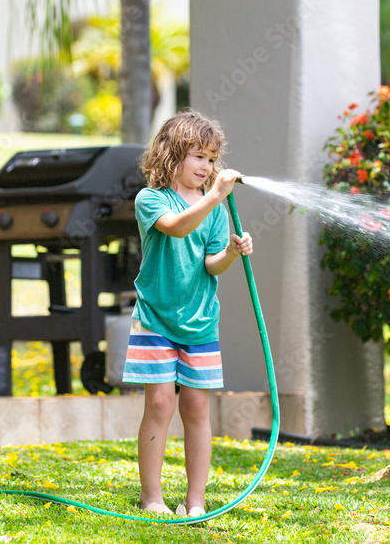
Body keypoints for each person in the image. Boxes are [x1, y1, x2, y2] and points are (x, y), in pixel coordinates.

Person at [121, 109, 253, 518]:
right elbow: (176, 227)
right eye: (198, 156)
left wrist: (230, 252)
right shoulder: (152, 199)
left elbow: (210, 264)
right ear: (172, 155)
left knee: (196, 409)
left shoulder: (215, 208)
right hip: (156, 319)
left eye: (212, 159)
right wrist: (216, 195)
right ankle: (152, 496)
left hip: (200, 322)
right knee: (159, 404)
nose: (207, 167)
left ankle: (195, 500)